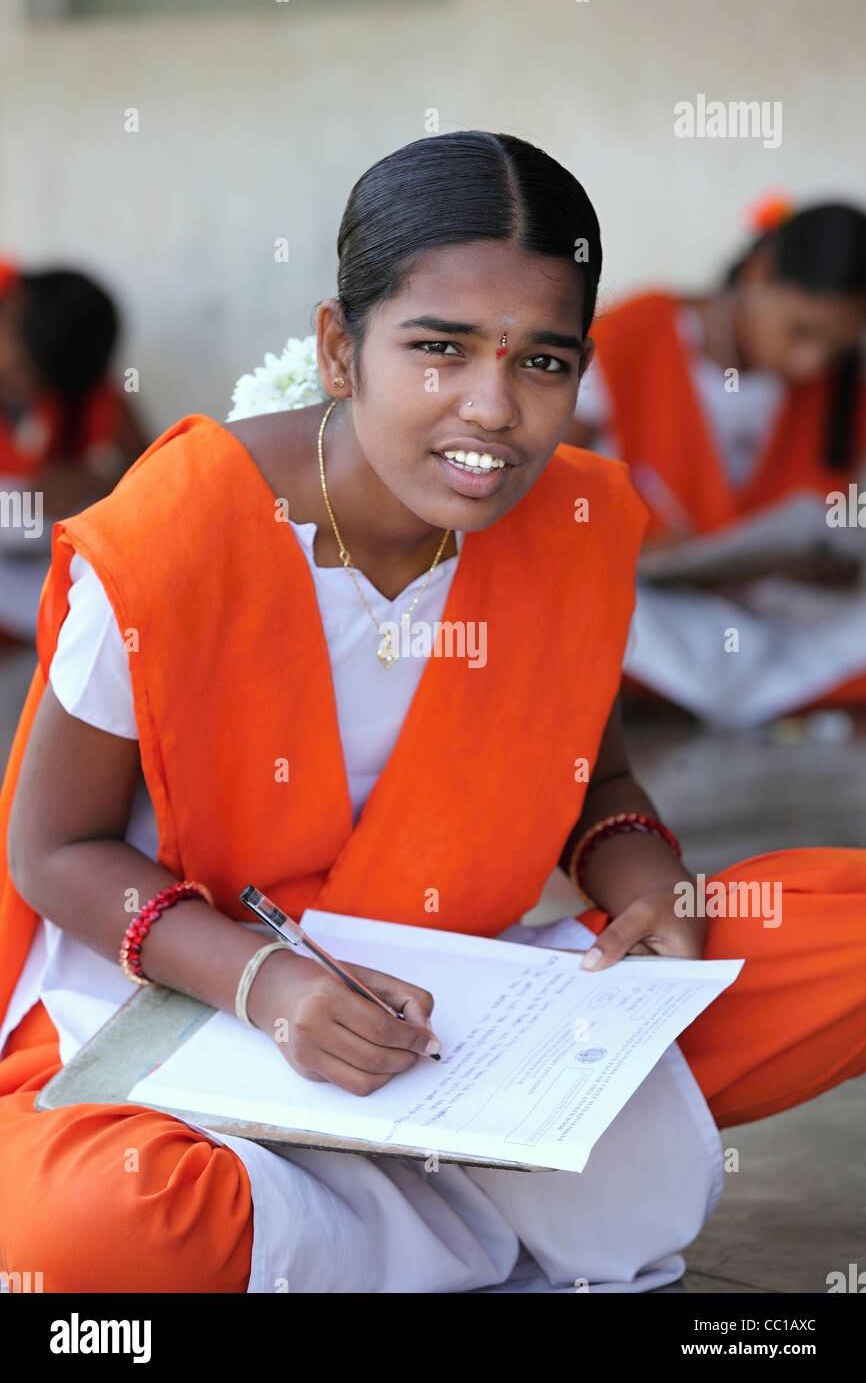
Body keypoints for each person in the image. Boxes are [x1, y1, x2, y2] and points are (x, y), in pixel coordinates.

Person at [0, 133, 863, 1294]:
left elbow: (593, 784)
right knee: (90, 1233)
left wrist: (642, 878)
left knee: (837, 931)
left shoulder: (572, 521)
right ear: (338, 349)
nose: (492, 409)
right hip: (199, 998)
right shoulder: (180, 529)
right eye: (438, 350)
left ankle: (446, 1162)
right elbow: (52, 847)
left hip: (459, 1002)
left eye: (542, 363)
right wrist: (269, 982)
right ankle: (420, 1214)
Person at [566, 200, 866, 725]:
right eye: (802, 332)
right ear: (758, 274)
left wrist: (828, 562)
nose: (811, 363)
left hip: (769, 612)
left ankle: (709, 697)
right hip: (654, 601)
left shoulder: (838, 388)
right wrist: (631, 543)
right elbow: (549, 480)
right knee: (584, 618)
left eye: (834, 350)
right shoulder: (640, 330)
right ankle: (759, 698)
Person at [0, 262, 150, 642]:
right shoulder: (25, 311)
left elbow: (153, 472)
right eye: (22, 372)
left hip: (35, 569)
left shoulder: (73, 362)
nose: (27, 391)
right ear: (11, 313)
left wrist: (96, 479)